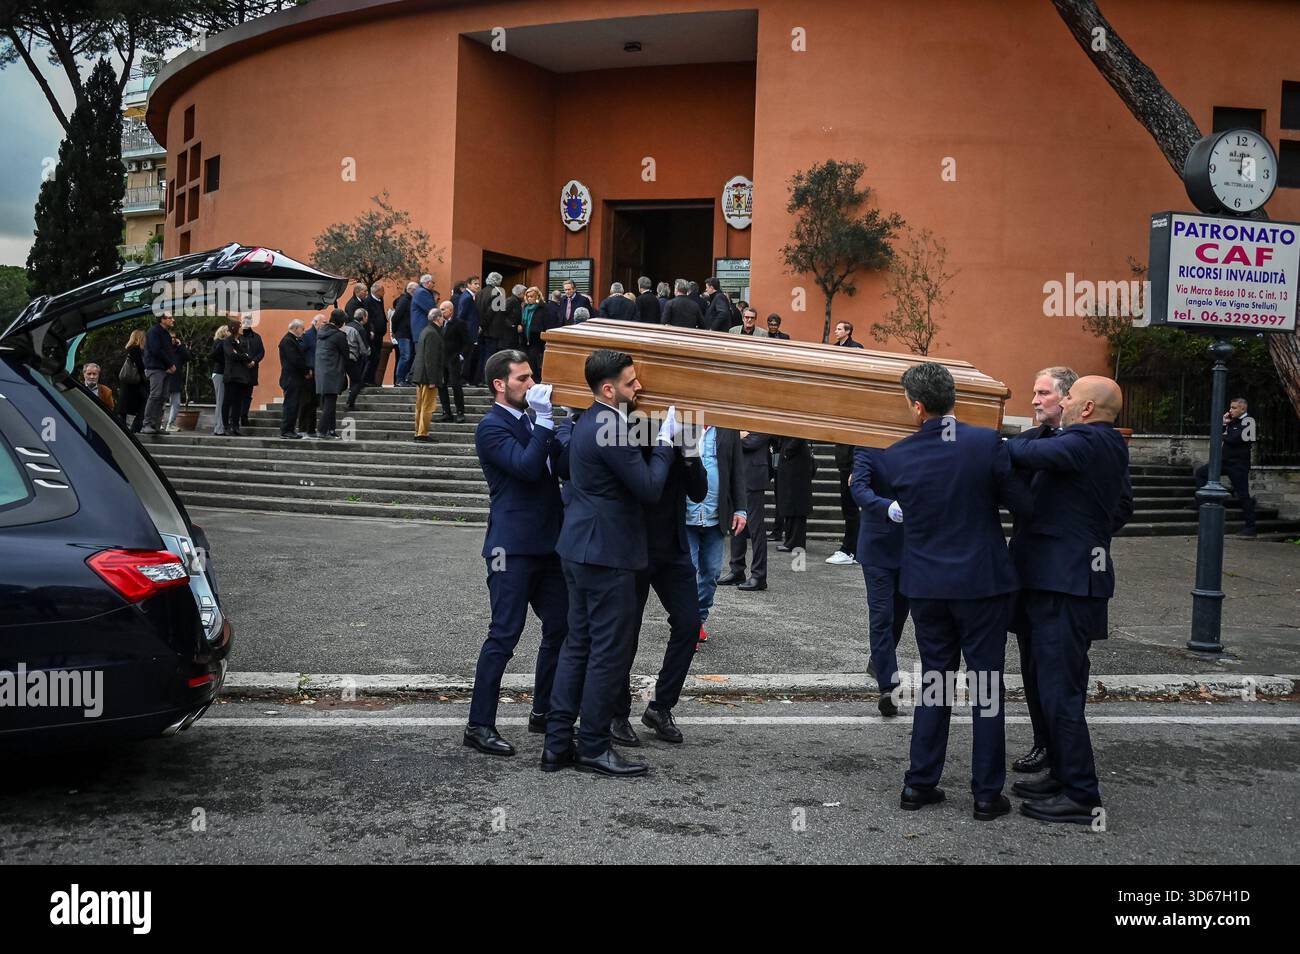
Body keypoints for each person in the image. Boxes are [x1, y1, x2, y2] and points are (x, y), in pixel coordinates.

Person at [877, 362, 1032, 821]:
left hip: (926, 585)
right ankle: (986, 794)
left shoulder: (896, 457)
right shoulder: (985, 443)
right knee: (986, 685)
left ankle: (919, 783)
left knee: (934, 682)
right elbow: (1022, 504)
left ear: (917, 406)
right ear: (954, 399)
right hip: (982, 583)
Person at [1005, 375, 1133, 824]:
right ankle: (1061, 773)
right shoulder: (1090, 440)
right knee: (1046, 684)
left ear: (1083, 409)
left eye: (1068, 397)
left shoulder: (1090, 440)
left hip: (1069, 584)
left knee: (1062, 692)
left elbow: (1023, 451)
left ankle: (1082, 794)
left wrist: (974, 438)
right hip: (1053, 581)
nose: (1058, 402)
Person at [543, 350, 676, 778]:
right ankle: (595, 746)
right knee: (607, 654)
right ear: (608, 388)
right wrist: (669, 442)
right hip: (608, 555)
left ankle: (558, 743)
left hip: (578, 549)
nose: (640, 388)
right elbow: (650, 487)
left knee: (577, 647)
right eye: (631, 382)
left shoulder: (586, 421)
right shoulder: (613, 427)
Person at [464, 350, 568, 757]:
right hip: (511, 548)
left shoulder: (532, 419)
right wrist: (544, 422)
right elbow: (525, 468)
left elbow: (556, 468)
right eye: (523, 379)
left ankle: (543, 711)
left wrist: (565, 425)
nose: (532, 384)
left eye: (532, 377)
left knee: (562, 628)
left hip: (548, 544)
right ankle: (479, 724)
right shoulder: (490, 428)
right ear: (499, 385)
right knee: (504, 634)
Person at [609, 422, 707, 746]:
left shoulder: (680, 433)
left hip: (672, 549)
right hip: (633, 548)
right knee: (626, 634)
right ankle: (617, 713)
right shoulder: (627, 428)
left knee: (689, 624)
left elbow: (699, 491)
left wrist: (690, 452)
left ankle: (661, 706)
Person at [1006, 366, 1078, 774]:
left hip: (1066, 574)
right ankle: (1043, 743)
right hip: (1027, 571)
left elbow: (1118, 508)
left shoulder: (1090, 444)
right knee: (1031, 664)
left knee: (1063, 669)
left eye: (1042, 393)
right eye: (1033, 393)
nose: (1033, 401)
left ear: (1067, 398)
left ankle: (1066, 754)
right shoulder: (1025, 443)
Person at [850, 446, 907, 717]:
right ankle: (888, 686)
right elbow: (859, 488)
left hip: (912, 547)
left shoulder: (919, 444)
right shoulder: (868, 448)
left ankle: (878, 661)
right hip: (878, 548)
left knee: (899, 616)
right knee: (882, 615)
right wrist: (886, 507)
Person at [684, 426, 747, 643]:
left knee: (711, 573)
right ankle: (688, 625)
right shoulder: (682, 424)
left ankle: (699, 618)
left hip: (715, 514)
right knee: (687, 573)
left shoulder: (727, 428)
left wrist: (740, 508)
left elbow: (737, 469)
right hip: (684, 514)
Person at [716, 430, 771, 591]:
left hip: (753, 476)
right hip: (737, 476)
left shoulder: (762, 413)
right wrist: (738, 435)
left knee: (756, 529)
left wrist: (735, 437)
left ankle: (759, 575)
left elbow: (753, 441)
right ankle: (737, 569)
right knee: (736, 525)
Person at [1195, 397, 1257, 537]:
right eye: (1230, 407)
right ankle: (1202, 504)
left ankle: (1251, 527)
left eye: (1234, 408)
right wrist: (1224, 425)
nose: (1230, 410)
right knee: (1201, 473)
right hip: (1224, 462)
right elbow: (1226, 436)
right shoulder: (1232, 422)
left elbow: (1236, 439)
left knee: (1243, 495)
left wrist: (1223, 433)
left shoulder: (1249, 422)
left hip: (1238, 465)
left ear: (1243, 408)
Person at [410, 304, 445, 443]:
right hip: (427, 376)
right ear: (437, 318)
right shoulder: (432, 333)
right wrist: (432, 379)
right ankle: (422, 433)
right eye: (441, 317)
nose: (443, 320)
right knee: (427, 406)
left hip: (421, 375)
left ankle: (419, 431)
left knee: (420, 405)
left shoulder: (426, 331)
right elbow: (430, 358)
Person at [775, 436, 816, 552]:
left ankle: (794, 542)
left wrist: (788, 451)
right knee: (790, 503)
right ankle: (791, 540)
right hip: (792, 460)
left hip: (795, 463)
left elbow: (800, 434)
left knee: (796, 504)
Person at [314, 310, 350, 440]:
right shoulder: (339, 336)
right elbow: (346, 355)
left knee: (329, 402)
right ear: (341, 322)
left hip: (322, 372)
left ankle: (331, 430)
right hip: (333, 372)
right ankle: (323, 430)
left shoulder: (321, 333)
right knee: (330, 404)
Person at [141, 313, 178, 435]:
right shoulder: (154, 332)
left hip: (164, 368)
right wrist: (169, 364)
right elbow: (156, 350)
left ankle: (156, 424)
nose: (173, 320)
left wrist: (170, 365)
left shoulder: (165, 333)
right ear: (162, 319)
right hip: (156, 368)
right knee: (155, 395)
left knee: (162, 397)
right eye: (170, 318)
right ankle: (147, 424)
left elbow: (167, 351)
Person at [220, 319, 255, 437]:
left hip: (242, 376)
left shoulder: (242, 341)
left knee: (238, 403)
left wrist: (242, 355)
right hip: (231, 376)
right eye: (240, 326)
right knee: (227, 401)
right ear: (234, 328)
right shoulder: (227, 341)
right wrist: (243, 356)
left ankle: (236, 426)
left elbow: (247, 355)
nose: (242, 328)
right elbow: (232, 355)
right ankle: (226, 426)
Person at [435, 300, 467, 423]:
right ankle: (446, 412)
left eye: (443, 309)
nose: (441, 312)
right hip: (442, 359)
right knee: (442, 385)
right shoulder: (439, 324)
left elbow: (466, 341)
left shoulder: (459, 323)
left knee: (455, 384)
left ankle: (460, 412)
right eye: (440, 309)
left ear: (450, 310)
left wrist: (460, 355)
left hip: (453, 359)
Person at [278, 318, 308, 439]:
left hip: (294, 378)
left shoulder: (291, 340)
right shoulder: (287, 341)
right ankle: (286, 430)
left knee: (294, 405)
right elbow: (295, 359)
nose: (304, 331)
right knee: (291, 404)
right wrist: (305, 370)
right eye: (302, 328)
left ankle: (289, 429)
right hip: (291, 379)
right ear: (295, 328)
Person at [235, 315, 264, 428]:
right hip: (239, 370)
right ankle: (236, 417)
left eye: (248, 320)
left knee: (247, 395)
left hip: (251, 370)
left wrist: (254, 361)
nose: (246, 322)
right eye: (244, 320)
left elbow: (261, 352)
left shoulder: (257, 337)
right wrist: (244, 362)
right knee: (238, 395)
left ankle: (244, 416)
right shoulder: (238, 337)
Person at [297, 314, 322, 436]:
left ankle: (311, 429)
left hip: (317, 374)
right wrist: (306, 369)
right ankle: (302, 429)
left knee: (314, 402)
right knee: (305, 402)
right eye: (323, 323)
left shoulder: (319, 335)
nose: (324, 325)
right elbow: (300, 353)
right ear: (316, 322)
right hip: (308, 374)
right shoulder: (307, 335)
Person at [120, 329, 149, 432]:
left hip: (128, 382)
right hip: (135, 383)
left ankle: (127, 427)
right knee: (145, 403)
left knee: (125, 407)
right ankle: (135, 427)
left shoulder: (127, 349)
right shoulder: (135, 350)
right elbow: (141, 366)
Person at [409, 275, 438, 376]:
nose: (434, 284)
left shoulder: (421, 292)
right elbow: (432, 309)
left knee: (422, 353)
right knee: (421, 353)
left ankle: (413, 375)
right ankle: (412, 375)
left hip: (421, 329)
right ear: (427, 283)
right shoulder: (422, 293)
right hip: (422, 329)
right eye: (432, 282)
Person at [342, 308, 370, 412]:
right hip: (353, 357)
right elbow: (363, 347)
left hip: (342, 357)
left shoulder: (346, 326)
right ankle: (350, 403)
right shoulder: (360, 329)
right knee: (357, 381)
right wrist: (367, 353)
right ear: (364, 317)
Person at [162, 332, 191, 432]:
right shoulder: (163, 349)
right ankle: (160, 423)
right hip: (164, 378)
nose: (173, 339)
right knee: (162, 402)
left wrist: (181, 345)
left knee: (176, 403)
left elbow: (188, 357)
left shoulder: (179, 350)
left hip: (176, 379)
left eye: (174, 337)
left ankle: (171, 424)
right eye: (171, 338)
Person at [519, 285, 549, 381]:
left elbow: (546, 323)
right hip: (525, 338)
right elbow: (523, 322)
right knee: (526, 359)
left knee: (534, 360)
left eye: (532, 296)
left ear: (537, 296)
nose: (529, 298)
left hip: (537, 338)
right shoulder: (525, 308)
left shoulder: (543, 308)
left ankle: (535, 379)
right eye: (528, 296)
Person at [391, 282, 415, 385]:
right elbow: (395, 317)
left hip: (408, 333)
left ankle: (404, 378)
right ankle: (400, 379)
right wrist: (395, 331)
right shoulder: (404, 300)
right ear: (412, 290)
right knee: (405, 356)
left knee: (408, 356)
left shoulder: (410, 300)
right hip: (403, 333)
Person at [364, 282, 387, 385]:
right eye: (382, 290)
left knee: (377, 357)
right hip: (373, 335)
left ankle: (373, 380)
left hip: (380, 334)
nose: (384, 292)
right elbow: (369, 318)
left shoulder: (380, 300)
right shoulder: (368, 301)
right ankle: (367, 380)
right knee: (373, 357)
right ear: (377, 291)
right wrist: (371, 330)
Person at [209, 324, 230, 435]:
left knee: (221, 401)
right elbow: (212, 355)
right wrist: (224, 362)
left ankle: (219, 427)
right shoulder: (221, 343)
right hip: (219, 373)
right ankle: (219, 428)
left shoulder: (219, 342)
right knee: (221, 401)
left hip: (219, 374)